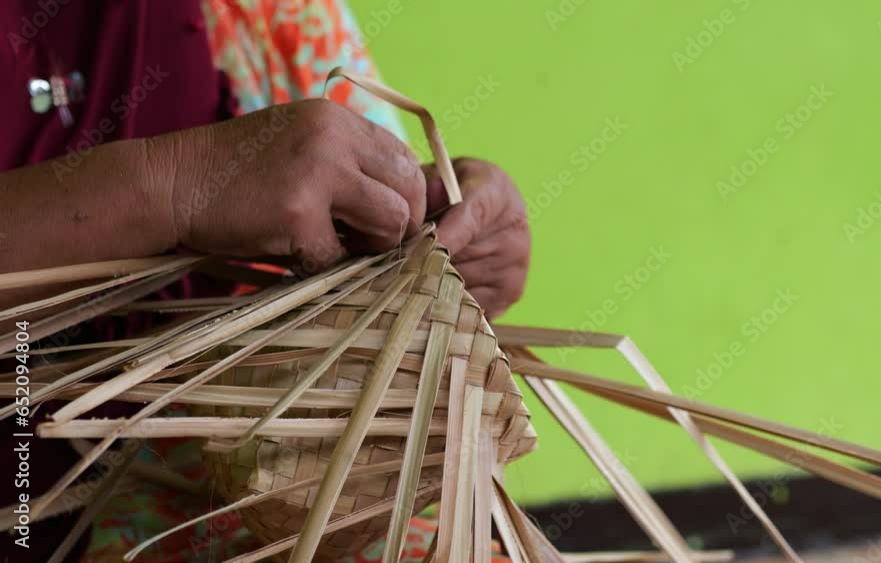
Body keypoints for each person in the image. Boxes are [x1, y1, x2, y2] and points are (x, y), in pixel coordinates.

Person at [0, 1, 529, 561]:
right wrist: (177, 182)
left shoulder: (261, 14)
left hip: (201, 502)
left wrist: (424, 233)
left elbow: (294, 209)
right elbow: (210, 178)